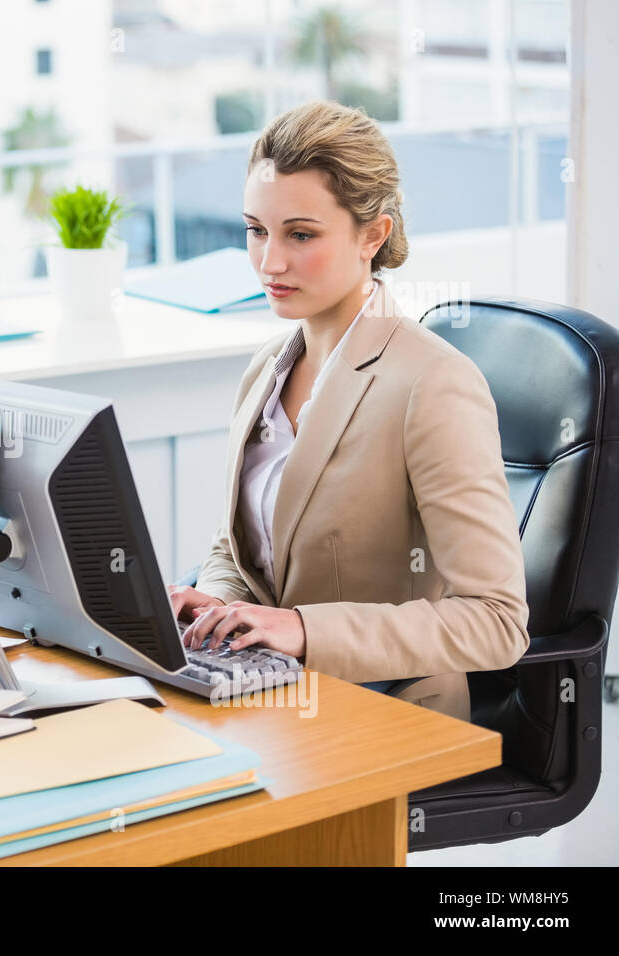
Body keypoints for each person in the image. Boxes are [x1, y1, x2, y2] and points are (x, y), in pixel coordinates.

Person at [170, 101, 529, 721]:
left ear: (373, 235)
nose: (270, 262)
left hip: (386, 711)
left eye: (300, 235)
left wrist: (303, 629)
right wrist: (218, 605)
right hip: (270, 697)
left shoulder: (432, 384)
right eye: (256, 230)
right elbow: (239, 547)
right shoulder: (267, 367)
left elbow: (496, 622)